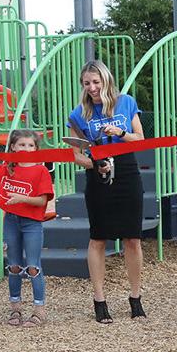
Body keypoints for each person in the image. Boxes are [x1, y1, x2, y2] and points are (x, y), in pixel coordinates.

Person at [68, 60, 147, 324]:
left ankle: (135, 297)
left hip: (127, 170)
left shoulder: (126, 102)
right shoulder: (78, 114)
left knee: (132, 238)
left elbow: (140, 139)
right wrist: (95, 164)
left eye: (96, 82)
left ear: (106, 80)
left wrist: (120, 132)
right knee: (98, 238)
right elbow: (75, 155)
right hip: (98, 171)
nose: (92, 87)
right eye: (87, 83)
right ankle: (99, 301)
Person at [0, 129, 55, 327]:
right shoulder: (7, 167)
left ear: (36, 148)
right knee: (14, 266)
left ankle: (39, 310)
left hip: (32, 223)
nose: (26, 148)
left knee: (33, 266)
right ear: (13, 147)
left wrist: (22, 198)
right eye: (22, 145)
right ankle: (15, 308)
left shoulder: (41, 170)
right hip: (11, 220)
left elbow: (42, 200)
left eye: (30, 145)